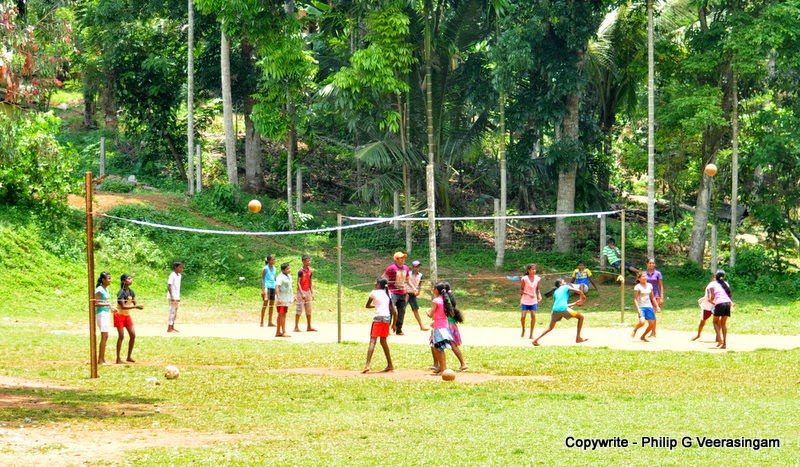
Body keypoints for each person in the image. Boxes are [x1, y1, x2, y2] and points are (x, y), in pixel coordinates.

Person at [532, 279, 588, 346]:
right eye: (563, 281)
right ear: (561, 284)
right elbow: (578, 291)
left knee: (550, 327)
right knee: (581, 317)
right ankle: (578, 338)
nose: (565, 282)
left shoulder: (555, 292)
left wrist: (574, 303)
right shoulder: (565, 287)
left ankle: (535, 340)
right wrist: (583, 297)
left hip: (555, 310)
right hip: (563, 309)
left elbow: (560, 305)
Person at [362, 277, 396, 373]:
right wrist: (394, 324)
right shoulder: (388, 293)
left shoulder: (374, 292)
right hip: (387, 318)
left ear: (378, 285)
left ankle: (367, 365)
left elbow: (367, 305)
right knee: (383, 341)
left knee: (373, 340)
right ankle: (390, 365)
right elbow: (394, 311)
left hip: (378, 318)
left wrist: (375, 306)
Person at [427, 282, 456, 374]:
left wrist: (427, 311)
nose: (432, 290)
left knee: (439, 348)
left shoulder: (436, 301)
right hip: (444, 326)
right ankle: (441, 367)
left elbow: (431, 314)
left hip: (438, 327)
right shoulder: (445, 299)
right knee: (438, 347)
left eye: (433, 288)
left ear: (436, 290)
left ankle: (443, 368)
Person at [115, 274, 143, 364]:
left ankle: (129, 356)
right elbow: (123, 306)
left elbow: (135, 302)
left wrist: (138, 306)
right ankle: (118, 358)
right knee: (121, 336)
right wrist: (135, 306)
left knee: (133, 335)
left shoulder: (131, 292)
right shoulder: (121, 293)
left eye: (131, 278)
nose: (131, 280)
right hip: (119, 315)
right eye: (129, 279)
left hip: (127, 316)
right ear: (123, 281)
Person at [383, 252, 410, 335]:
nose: (403, 259)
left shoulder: (406, 268)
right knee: (391, 310)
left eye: (403, 257)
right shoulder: (391, 268)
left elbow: (407, 280)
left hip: (402, 292)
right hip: (393, 292)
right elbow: (384, 278)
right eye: (400, 258)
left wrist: (412, 288)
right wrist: (386, 288)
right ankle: (387, 329)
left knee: (402, 311)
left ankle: (399, 329)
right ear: (396, 259)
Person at [706, 270, 734, 349]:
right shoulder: (726, 283)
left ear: (715, 276)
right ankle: (724, 343)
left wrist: (713, 303)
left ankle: (720, 339)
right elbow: (728, 295)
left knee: (715, 322)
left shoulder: (712, 284)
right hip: (727, 303)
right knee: (723, 324)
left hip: (720, 303)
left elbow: (710, 297)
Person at [94, 271, 118, 365]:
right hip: (101, 313)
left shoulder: (106, 290)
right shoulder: (99, 290)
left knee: (105, 335)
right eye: (108, 278)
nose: (110, 280)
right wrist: (108, 304)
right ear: (103, 280)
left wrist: (111, 307)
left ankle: (102, 358)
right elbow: (96, 303)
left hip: (106, 312)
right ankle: (100, 360)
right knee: (104, 335)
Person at [632, 271, 661, 342]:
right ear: (639, 278)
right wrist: (638, 309)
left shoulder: (649, 285)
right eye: (643, 276)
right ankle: (635, 330)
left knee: (652, 325)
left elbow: (652, 297)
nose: (645, 278)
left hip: (649, 306)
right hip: (642, 307)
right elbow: (635, 299)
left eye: (646, 276)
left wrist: (657, 306)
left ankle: (643, 336)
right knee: (642, 322)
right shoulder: (637, 287)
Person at [294, 255, 317, 332]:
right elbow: (298, 282)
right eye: (307, 261)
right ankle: (296, 326)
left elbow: (310, 282)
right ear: (303, 262)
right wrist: (302, 293)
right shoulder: (300, 271)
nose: (309, 262)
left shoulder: (310, 271)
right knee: (299, 309)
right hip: (301, 291)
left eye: (309, 261)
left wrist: (312, 293)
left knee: (309, 309)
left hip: (307, 291)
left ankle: (309, 326)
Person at [519, 263, 542, 339]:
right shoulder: (524, 278)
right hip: (525, 300)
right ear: (528, 270)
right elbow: (521, 290)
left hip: (533, 300)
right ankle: (523, 330)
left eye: (535, 269)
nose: (534, 270)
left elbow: (537, 289)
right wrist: (528, 293)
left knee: (533, 316)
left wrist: (539, 295)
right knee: (523, 316)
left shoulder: (537, 278)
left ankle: (531, 334)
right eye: (532, 269)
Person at [405, 260, 429, 331]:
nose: (417, 268)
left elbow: (420, 284)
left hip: (413, 294)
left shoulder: (420, 275)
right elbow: (405, 282)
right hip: (406, 293)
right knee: (401, 310)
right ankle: (396, 326)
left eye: (418, 266)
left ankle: (421, 326)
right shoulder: (408, 274)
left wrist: (418, 291)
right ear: (412, 267)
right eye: (416, 266)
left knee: (415, 310)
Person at [644, 258, 664, 337]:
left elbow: (661, 286)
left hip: (655, 295)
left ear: (655, 264)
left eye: (653, 263)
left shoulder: (658, 273)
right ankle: (651, 330)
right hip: (646, 296)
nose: (651, 264)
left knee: (652, 313)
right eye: (649, 263)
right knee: (648, 314)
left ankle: (653, 331)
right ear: (647, 264)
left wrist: (661, 297)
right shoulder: (644, 274)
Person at [274, 263, 293, 337]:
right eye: (287, 269)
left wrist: (292, 296)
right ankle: (283, 331)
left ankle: (278, 331)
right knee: (282, 315)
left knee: (283, 314)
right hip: (281, 299)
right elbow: (277, 287)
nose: (289, 270)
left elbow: (290, 288)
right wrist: (278, 298)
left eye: (289, 268)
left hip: (286, 298)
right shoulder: (280, 277)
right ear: (283, 270)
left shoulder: (289, 276)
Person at [260, 255, 277, 327]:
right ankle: (261, 321)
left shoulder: (275, 268)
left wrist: (276, 287)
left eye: (274, 260)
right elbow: (262, 278)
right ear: (268, 261)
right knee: (265, 303)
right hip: (267, 286)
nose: (273, 261)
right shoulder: (265, 268)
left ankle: (270, 321)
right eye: (272, 260)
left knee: (271, 305)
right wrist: (263, 289)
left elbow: (274, 278)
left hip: (273, 286)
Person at [166, 261, 183, 333]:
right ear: (175, 267)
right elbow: (169, 285)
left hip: (176, 296)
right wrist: (172, 296)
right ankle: (169, 328)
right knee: (172, 312)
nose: (181, 269)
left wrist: (178, 296)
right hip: (172, 296)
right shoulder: (172, 275)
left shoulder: (179, 276)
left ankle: (172, 327)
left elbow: (177, 287)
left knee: (175, 312)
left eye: (182, 267)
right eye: (180, 267)